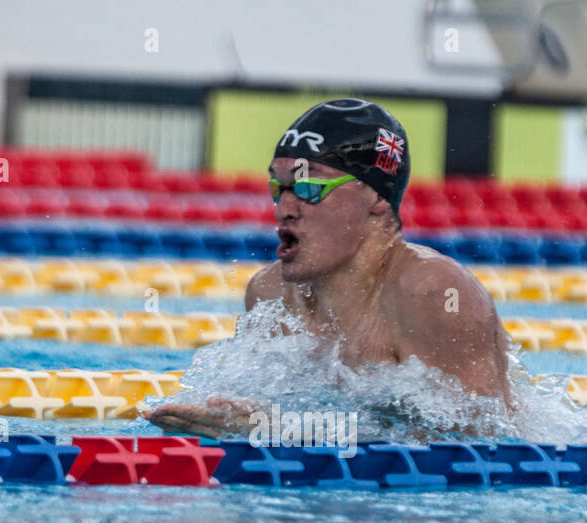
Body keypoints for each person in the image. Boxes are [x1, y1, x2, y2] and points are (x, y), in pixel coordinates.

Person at [146, 98, 514, 438]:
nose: (283, 209)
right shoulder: (269, 292)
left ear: (376, 196)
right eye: (279, 187)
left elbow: (479, 443)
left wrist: (288, 430)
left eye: (307, 187)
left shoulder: (433, 292)